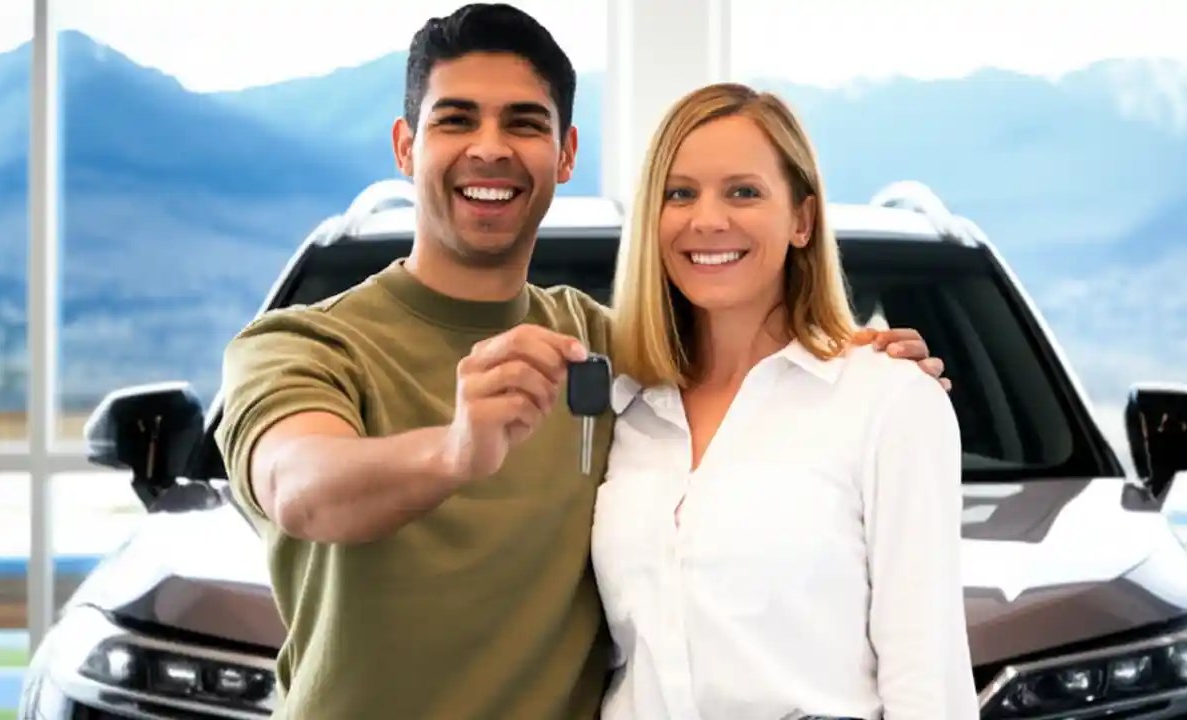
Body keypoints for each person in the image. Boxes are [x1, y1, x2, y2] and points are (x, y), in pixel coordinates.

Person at [213, 4, 950, 718]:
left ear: (565, 155)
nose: (491, 147)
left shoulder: (608, 353)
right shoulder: (300, 346)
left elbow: (748, 357)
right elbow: (299, 487)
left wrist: (861, 363)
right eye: (456, 118)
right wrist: (455, 452)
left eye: (524, 123)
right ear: (406, 146)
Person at [593, 82, 979, 719]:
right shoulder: (621, 409)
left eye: (743, 192)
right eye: (679, 192)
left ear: (801, 219)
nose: (707, 219)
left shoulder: (887, 401)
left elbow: (928, 682)